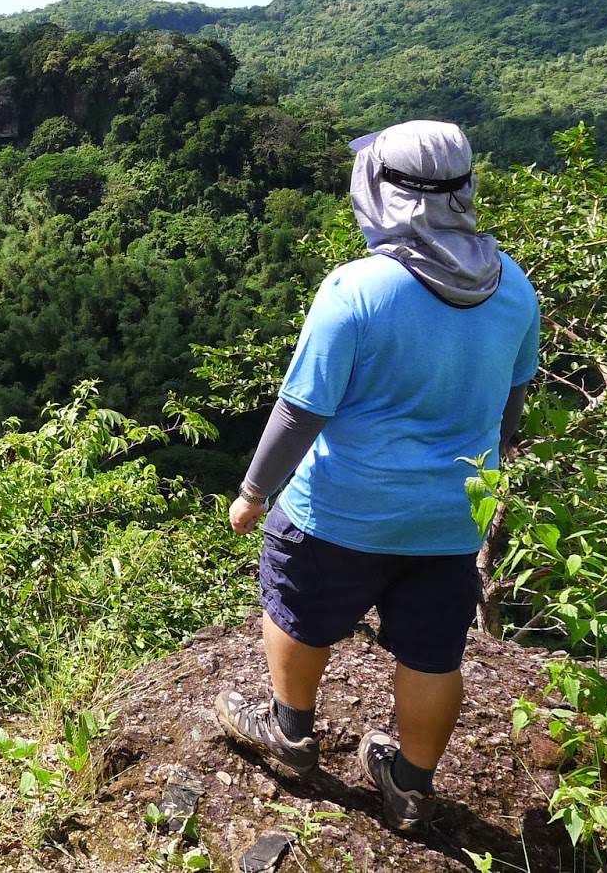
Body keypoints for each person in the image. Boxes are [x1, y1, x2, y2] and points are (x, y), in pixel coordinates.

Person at [214, 120, 540, 832]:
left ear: (380, 193)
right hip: (451, 517)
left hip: (340, 511)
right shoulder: (513, 286)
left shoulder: (355, 290)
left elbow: (300, 412)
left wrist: (252, 494)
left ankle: (291, 735)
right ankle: (412, 787)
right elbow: (509, 410)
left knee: (296, 613)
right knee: (432, 650)